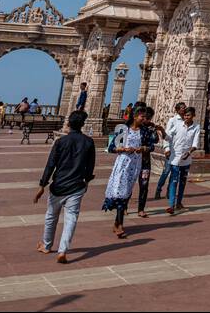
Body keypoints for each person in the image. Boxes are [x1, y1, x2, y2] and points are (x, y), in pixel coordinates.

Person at [35, 110, 96, 263]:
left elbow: (50, 164)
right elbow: (90, 167)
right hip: (76, 186)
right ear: (83, 124)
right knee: (71, 219)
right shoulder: (89, 142)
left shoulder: (60, 142)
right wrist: (86, 182)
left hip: (58, 185)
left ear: (69, 124)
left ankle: (46, 245)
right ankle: (62, 250)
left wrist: (42, 185)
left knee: (51, 216)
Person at [103, 106, 149, 238]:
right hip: (123, 164)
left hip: (135, 165)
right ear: (135, 116)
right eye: (142, 117)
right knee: (121, 193)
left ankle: (117, 223)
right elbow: (111, 148)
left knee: (127, 193)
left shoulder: (144, 131)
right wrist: (123, 149)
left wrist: (143, 148)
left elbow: (151, 145)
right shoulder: (123, 129)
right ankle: (120, 224)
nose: (144, 119)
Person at [167, 107, 200, 214]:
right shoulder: (177, 125)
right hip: (175, 158)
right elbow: (168, 137)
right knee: (173, 181)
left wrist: (189, 152)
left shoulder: (196, 127)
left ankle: (179, 202)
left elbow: (195, 143)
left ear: (193, 116)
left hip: (186, 159)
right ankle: (171, 205)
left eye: (188, 115)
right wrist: (162, 133)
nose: (186, 117)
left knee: (182, 182)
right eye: (185, 115)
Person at [154, 103, 188, 200]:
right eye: (182, 108)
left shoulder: (185, 121)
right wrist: (166, 148)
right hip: (171, 150)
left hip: (179, 151)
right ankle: (158, 189)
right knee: (166, 171)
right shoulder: (173, 121)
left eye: (185, 108)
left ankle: (169, 192)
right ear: (177, 110)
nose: (184, 109)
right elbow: (166, 136)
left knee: (174, 173)